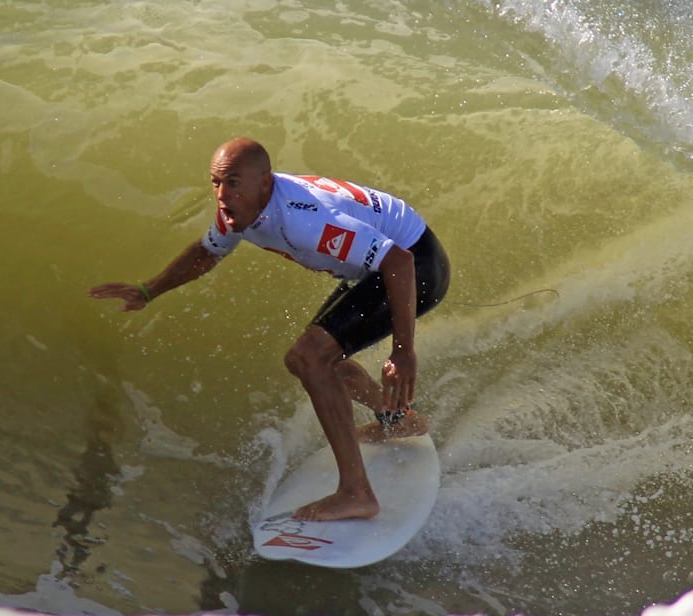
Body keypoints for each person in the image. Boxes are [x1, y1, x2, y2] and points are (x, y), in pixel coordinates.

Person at [88, 138, 449, 521]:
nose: (222, 195)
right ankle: (397, 419)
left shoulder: (304, 219)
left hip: (415, 267)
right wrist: (149, 291)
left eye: (233, 182)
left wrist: (403, 352)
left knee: (310, 358)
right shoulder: (240, 210)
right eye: (216, 182)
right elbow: (208, 251)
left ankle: (356, 493)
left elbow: (398, 261)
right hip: (379, 266)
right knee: (313, 361)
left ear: (265, 183)